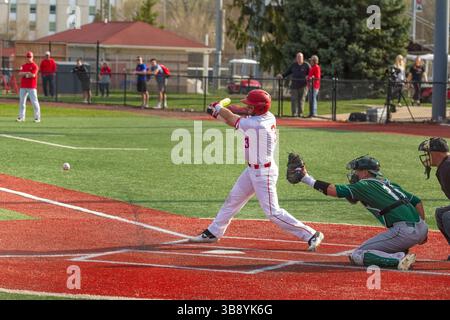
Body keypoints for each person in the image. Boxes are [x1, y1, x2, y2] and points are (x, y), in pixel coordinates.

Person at [189, 89, 325, 251]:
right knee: (233, 200)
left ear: (259, 108)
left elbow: (233, 119)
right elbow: (236, 116)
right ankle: (214, 232)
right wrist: (216, 112)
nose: (248, 107)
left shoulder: (258, 124)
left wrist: (218, 109)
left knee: (273, 213)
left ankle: (310, 234)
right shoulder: (265, 116)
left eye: (251, 106)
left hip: (263, 174)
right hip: (252, 170)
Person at [287, 154, 428, 270]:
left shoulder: (364, 184)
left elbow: (334, 191)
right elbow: (416, 201)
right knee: (380, 246)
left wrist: (306, 178)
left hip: (403, 231)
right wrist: (423, 231)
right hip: (420, 227)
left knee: (358, 254)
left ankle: (398, 259)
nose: (354, 174)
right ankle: (400, 251)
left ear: (365, 172)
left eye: (357, 171)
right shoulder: (387, 183)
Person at [418, 137, 450, 261]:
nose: (426, 156)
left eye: (427, 153)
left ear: (436, 153)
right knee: (440, 213)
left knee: (448, 217)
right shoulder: (445, 165)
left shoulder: (447, 167)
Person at [277, 52, 310, 117]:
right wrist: (282, 76)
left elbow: (310, 74)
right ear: (296, 58)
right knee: (294, 100)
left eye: (300, 57)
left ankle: (300, 114)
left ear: (303, 58)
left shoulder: (306, 65)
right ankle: (294, 114)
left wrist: (309, 77)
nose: (299, 58)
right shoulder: (293, 65)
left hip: (303, 86)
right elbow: (287, 72)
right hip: (294, 86)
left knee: (301, 100)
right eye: (298, 57)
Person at [17, 51, 41, 123]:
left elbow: (33, 75)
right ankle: (21, 117)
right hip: (23, 86)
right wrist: (27, 73)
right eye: (28, 56)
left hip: (32, 86)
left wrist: (26, 74)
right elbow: (19, 73)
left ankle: (37, 118)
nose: (29, 58)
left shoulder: (35, 66)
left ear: (32, 57)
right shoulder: (24, 65)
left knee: (34, 102)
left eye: (30, 57)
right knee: (22, 102)